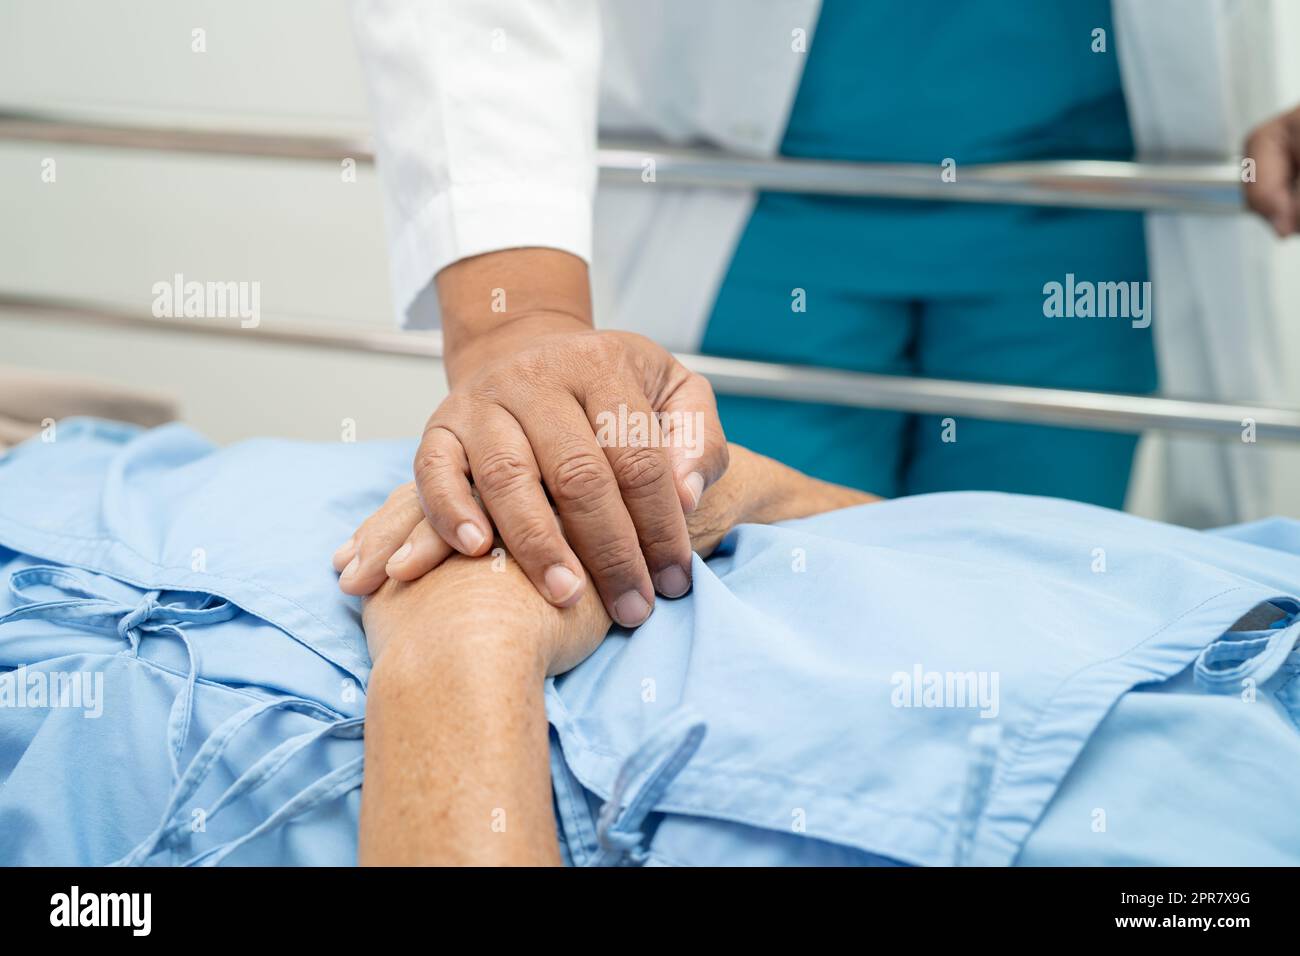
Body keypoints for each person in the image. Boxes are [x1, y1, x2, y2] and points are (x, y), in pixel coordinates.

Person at [344, 0, 1300, 620]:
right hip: (756, 202)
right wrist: (520, 319)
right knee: (740, 618)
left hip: (1092, 202)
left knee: (1043, 620)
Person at [4, 419, 1300, 866]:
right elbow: (952, 555)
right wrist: (704, 488)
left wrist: (462, 652)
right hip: (180, 504)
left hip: (170, 730)